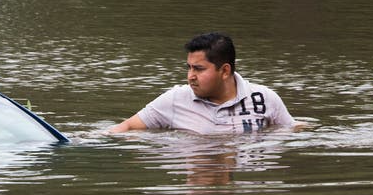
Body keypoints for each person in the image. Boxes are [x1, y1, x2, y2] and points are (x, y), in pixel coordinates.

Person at [109, 33, 298, 133]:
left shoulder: (264, 98)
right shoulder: (175, 99)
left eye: (198, 69)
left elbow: (291, 129)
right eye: (189, 68)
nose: (190, 76)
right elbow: (127, 127)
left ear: (224, 71)